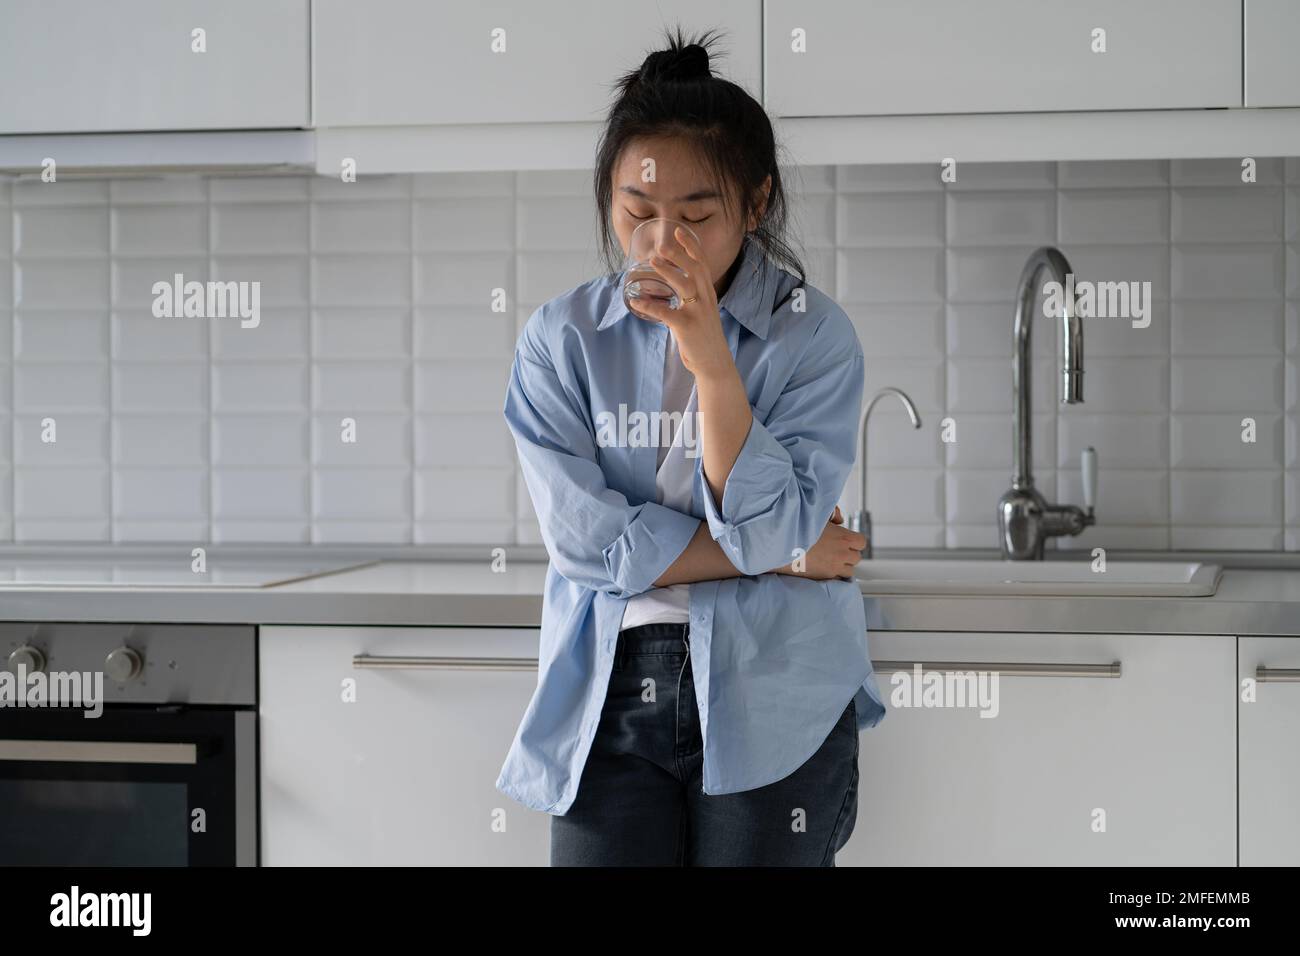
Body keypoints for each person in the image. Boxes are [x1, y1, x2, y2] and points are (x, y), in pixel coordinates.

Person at [496, 25, 887, 866]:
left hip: (773, 691)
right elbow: (582, 542)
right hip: (606, 693)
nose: (662, 243)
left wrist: (713, 364)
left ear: (754, 203)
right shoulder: (561, 340)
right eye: (637, 213)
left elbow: (768, 520)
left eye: (697, 215)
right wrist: (782, 556)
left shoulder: (813, 338)